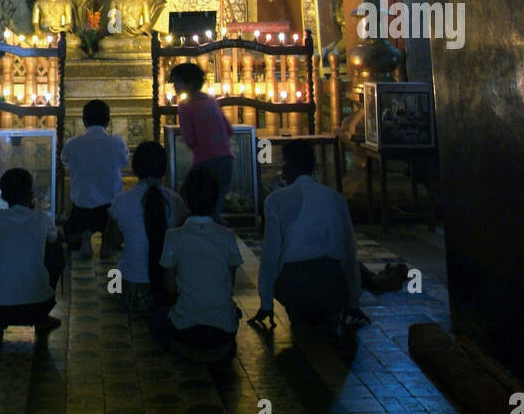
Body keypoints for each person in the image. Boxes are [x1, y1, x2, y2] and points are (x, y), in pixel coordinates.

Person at [252, 140, 363, 335]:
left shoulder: (276, 200)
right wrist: (353, 300)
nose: (282, 170)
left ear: (290, 165)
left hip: (295, 284)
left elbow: (271, 255)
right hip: (332, 283)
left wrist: (266, 303)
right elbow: (349, 252)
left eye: (283, 164)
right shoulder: (335, 198)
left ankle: (300, 311)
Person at [151, 165, 242, 359]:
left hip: (185, 328)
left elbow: (169, 286)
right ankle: (217, 350)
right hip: (222, 330)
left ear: (185, 199)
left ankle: (186, 350)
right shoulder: (228, 237)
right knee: (232, 311)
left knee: (156, 317)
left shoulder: (174, 236)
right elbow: (230, 284)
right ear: (217, 199)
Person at [0, 167, 64, 335]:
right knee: (54, 248)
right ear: (31, 194)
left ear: (3, 195)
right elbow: (56, 240)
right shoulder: (42, 218)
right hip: (38, 306)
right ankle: (43, 310)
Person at [107, 141, 187, 311]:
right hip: (167, 285)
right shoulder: (176, 201)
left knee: (112, 275)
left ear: (135, 168)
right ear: (163, 168)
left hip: (132, 285)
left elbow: (111, 243)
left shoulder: (121, 201)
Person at [60, 99, 129, 257]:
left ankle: (85, 236)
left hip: (82, 204)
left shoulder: (73, 144)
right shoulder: (116, 142)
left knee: (74, 227)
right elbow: (124, 162)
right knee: (117, 222)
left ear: (84, 121)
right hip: (110, 204)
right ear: (107, 121)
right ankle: (107, 241)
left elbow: (65, 161)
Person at [168, 61, 234, 222]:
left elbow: (190, 139)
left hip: (205, 161)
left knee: (191, 200)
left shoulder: (185, 105)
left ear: (188, 83)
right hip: (226, 159)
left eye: (177, 82)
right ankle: (219, 238)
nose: (174, 86)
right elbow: (229, 129)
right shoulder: (211, 100)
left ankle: (198, 239)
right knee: (215, 205)